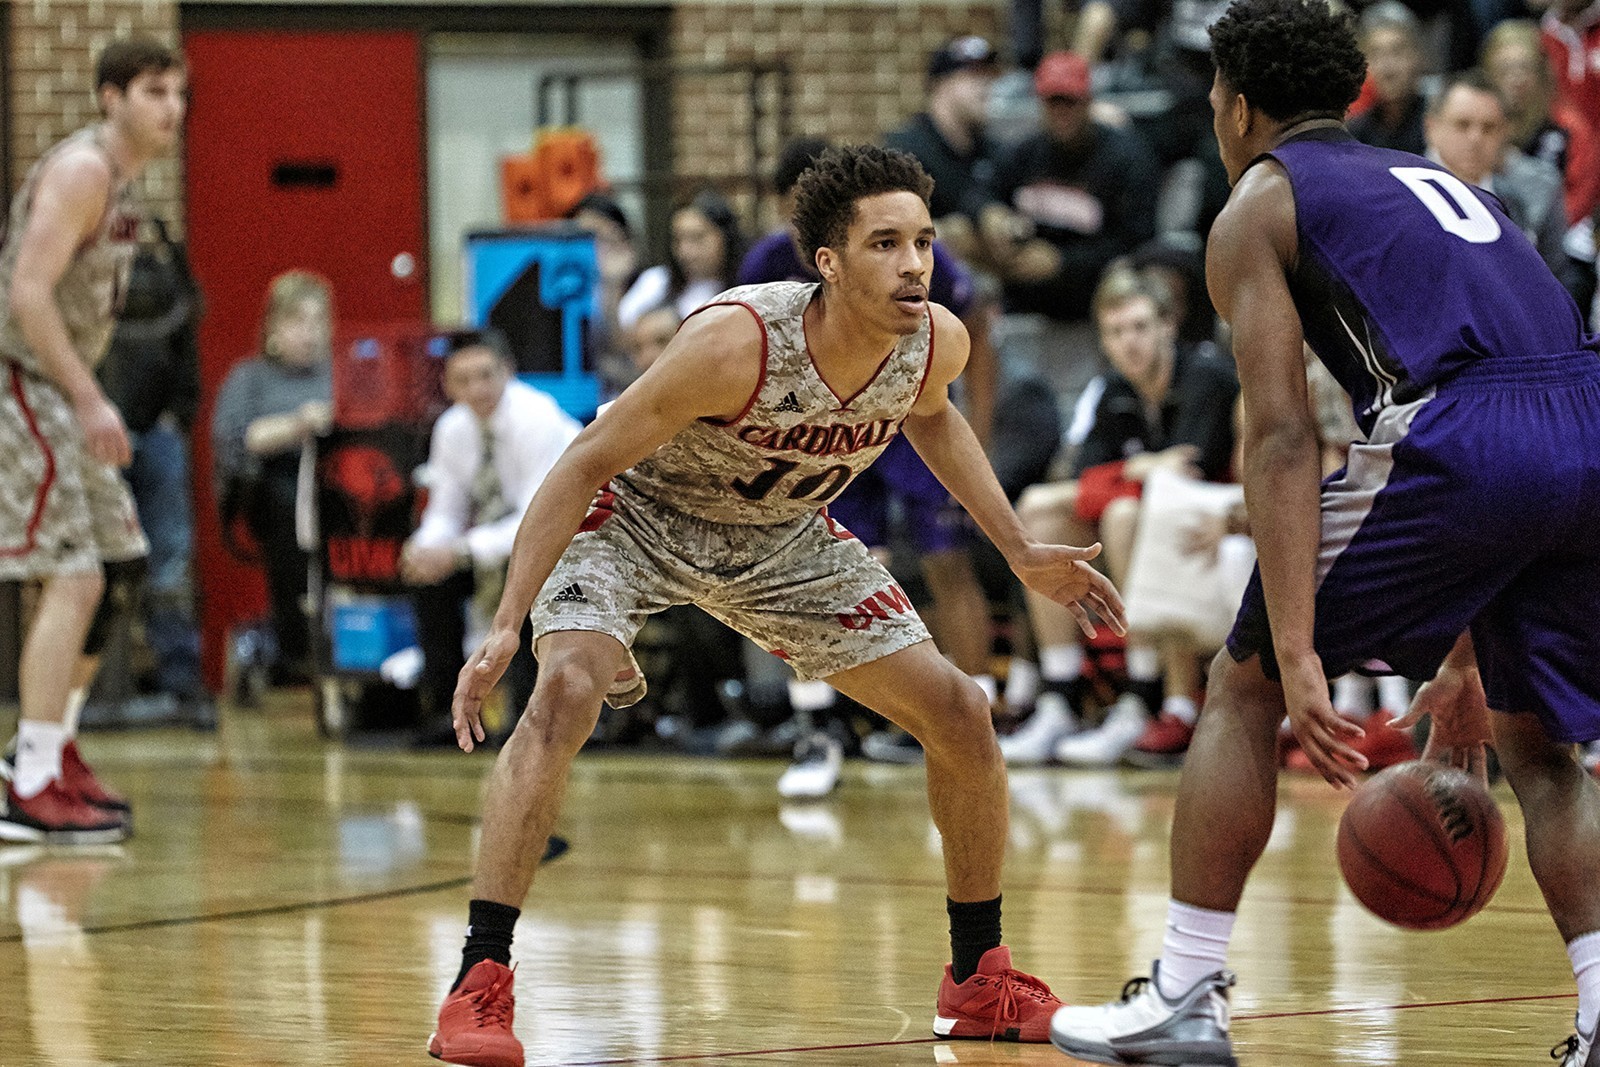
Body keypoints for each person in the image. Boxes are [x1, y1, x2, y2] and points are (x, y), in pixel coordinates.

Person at [426, 144, 1126, 1067]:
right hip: (635, 516)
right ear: (828, 262)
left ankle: (976, 979)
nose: (913, 264)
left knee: (962, 711)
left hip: (780, 537)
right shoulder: (736, 343)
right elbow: (585, 459)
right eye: (885, 244)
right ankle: (478, 982)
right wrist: (507, 623)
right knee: (565, 693)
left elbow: (932, 415)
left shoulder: (933, 341)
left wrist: (1020, 548)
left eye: (922, 241)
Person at [1048, 4, 1600, 1066]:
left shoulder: (1260, 202)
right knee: (1540, 747)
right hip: (1586, 429)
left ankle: (1184, 992)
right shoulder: (1442, 184)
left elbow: (1282, 438)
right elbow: (1530, 406)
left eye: (1216, 97)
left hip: (1463, 434)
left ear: (1237, 107)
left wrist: (1295, 647)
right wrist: (1464, 659)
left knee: (1243, 687)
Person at [739, 135, 1000, 794]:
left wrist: (979, 428)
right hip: (823, 433)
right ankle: (820, 727)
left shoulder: (901, 251)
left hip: (904, 416)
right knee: (818, 578)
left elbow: (974, 321)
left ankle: (983, 712)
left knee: (946, 559)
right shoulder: (766, 265)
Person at [0, 38, 186, 843]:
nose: (172, 108)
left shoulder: (124, 182)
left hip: (60, 384)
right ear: (111, 97)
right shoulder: (81, 171)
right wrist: (87, 397)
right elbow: (27, 293)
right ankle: (27, 783)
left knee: (120, 565)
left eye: (178, 93)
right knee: (74, 573)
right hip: (23, 381)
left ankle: (49, 745)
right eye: (154, 92)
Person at [1001, 268, 1235, 768]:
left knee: (1125, 514)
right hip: (1151, 528)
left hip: (1221, 528)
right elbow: (1084, 478)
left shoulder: (1207, 377)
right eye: (1116, 332)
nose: (1129, 342)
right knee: (1039, 515)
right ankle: (1061, 695)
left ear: (1168, 325)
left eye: (1140, 327)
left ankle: (1142, 694)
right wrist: (1137, 468)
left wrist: (1128, 477)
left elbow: (1187, 473)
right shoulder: (1111, 390)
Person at [400, 332, 580, 746]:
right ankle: (448, 713)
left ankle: (526, 719)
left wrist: (460, 551)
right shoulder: (451, 428)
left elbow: (539, 522)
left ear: (508, 372)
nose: (476, 389)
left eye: (485, 376)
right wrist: (426, 548)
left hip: (564, 541)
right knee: (430, 579)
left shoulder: (537, 417)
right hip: (495, 542)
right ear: (447, 384)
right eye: (463, 380)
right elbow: (445, 512)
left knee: (529, 578)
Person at [92, 217, 213, 729]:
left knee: (167, 560)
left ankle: (177, 676)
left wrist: (176, 416)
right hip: (102, 434)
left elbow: (187, 357)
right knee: (107, 563)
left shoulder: (167, 277)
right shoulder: (87, 278)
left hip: (153, 434)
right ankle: (97, 681)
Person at [211, 271, 334, 689]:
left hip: (336, 485)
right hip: (274, 489)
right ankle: (294, 646)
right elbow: (237, 439)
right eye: (298, 321)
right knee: (288, 503)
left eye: (318, 321)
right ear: (274, 327)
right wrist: (299, 425)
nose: (310, 332)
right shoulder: (250, 378)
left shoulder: (341, 373)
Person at [616, 189, 745, 331]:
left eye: (697, 237)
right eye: (678, 239)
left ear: (726, 237)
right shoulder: (655, 282)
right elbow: (624, 330)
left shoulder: (746, 287)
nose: (685, 251)